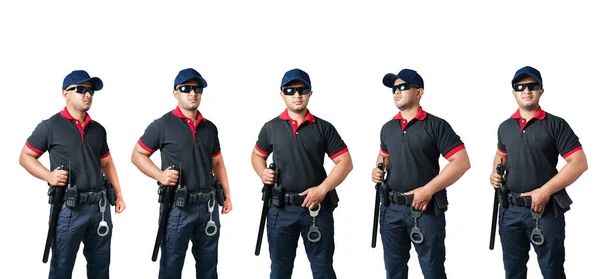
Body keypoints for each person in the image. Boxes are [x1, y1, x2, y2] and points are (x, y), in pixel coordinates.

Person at [19, 70, 126, 279]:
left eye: (91, 91)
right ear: (65, 94)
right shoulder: (49, 126)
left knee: (100, 269)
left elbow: (106, 163)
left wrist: (120, 195)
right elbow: (25, 157)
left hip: (100, 208)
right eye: (81, 90)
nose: (88, 95)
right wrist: (48, 176)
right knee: (61, 269)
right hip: (68, 209)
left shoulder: (98, 130)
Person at [251, 68, 353, 279]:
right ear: (282, 94)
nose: (296, 95)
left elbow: (345, 163)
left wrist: (322, 189)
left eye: (302, 90)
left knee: (323, 269)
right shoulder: (270, 128)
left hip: (316, 208)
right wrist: (262, 173)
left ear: (310, 93)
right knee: (280, 270)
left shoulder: (324, 128)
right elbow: (256, 155)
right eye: (290, 90)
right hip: (280, 209)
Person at [131, 68, 232, 279]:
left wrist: (228, 197)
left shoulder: (209, 128)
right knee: (171, 267)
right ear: (175, 92)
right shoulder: (161, 125)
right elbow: (138, 155)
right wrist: (160, 175)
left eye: (197, 89)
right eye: (186, 89)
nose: (192, 93)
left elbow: (217, 162)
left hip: (208, 207)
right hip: (177, 208)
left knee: (209, 266)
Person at [489, 66, 588, 279]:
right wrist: (494, 172)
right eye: (520, 86)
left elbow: (578, 163)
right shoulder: (505, 127)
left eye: (532, 86)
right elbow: (501, 155)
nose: (526, 90)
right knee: (513, 272)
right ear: (514, 91)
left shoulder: (556, 125)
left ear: (541, 90)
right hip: (510, 210)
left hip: (545, 210)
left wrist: (544, 191)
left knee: (552, 271)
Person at [372, 68, 471, 279]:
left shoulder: (436, 126)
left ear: (419, 92)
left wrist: (428, 190)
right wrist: (378, 169)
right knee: (394, 271)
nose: (397, 92)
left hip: (424, 209)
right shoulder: (388, 128)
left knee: (432, 270)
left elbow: (461, 162)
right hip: (391, 209)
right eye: (394, 89)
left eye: (403, 87)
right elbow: (384, 157)